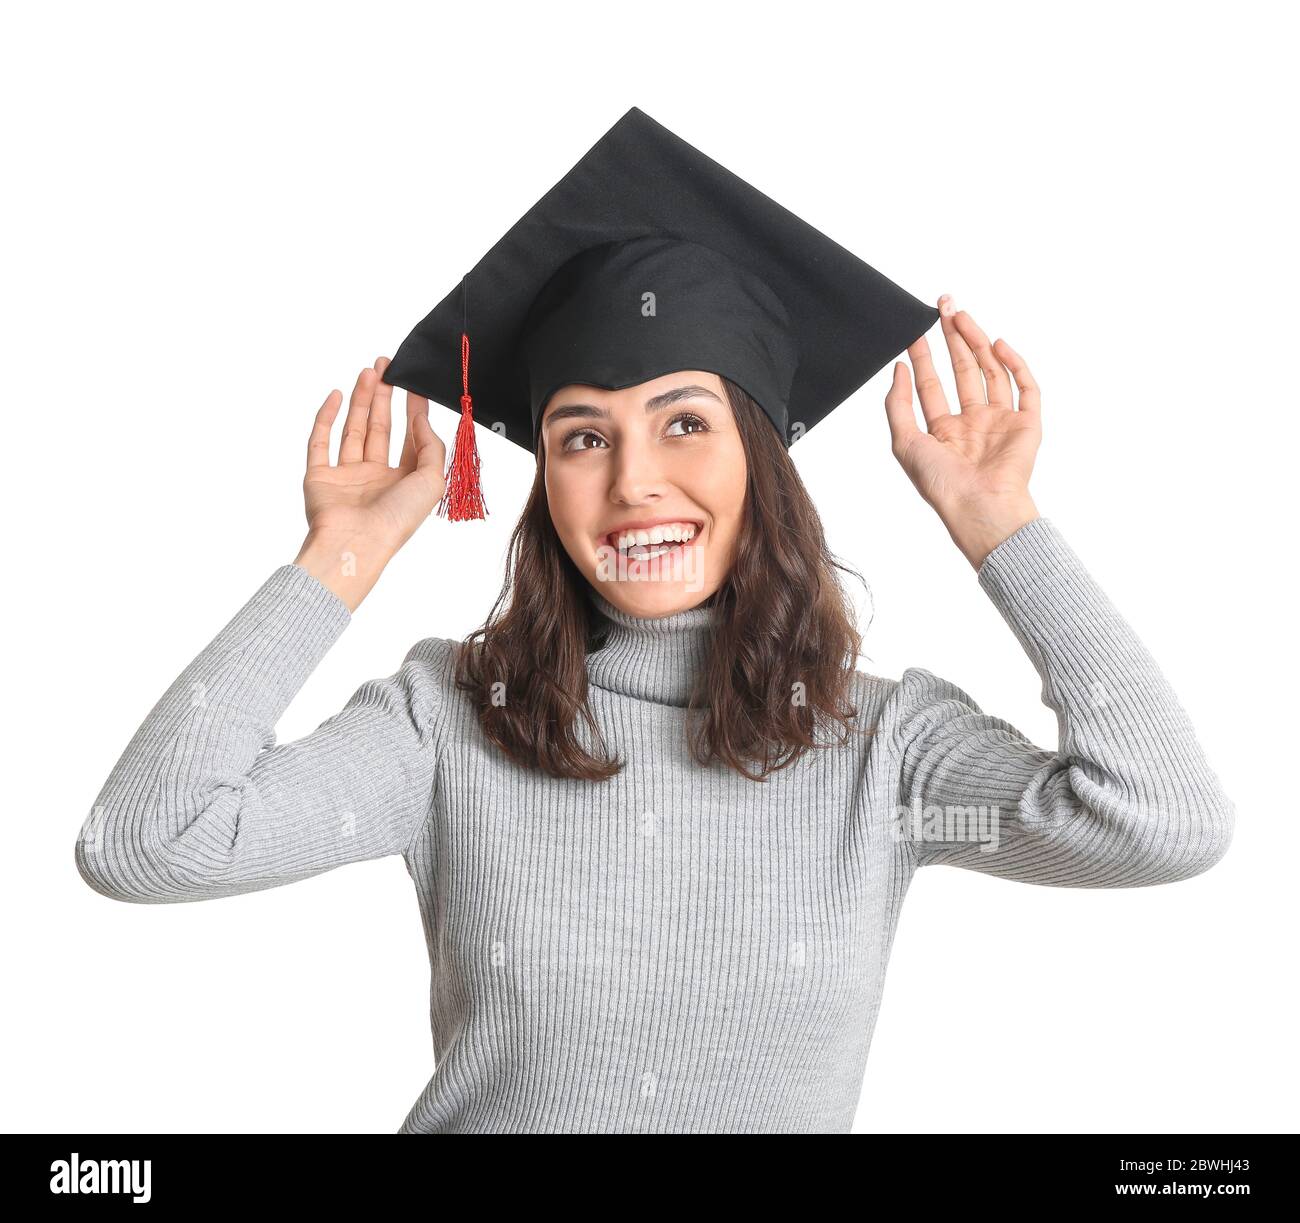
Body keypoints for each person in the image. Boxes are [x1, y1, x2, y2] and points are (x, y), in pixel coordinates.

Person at [75, 110, 1235, 1134]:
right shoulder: (450, 727)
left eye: (684, 422)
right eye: (582, 434)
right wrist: (344, 553)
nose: (632, 480)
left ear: (761, 460)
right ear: (546, 477)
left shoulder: (884, 761)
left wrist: (999, 522)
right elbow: (150, 842)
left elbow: (1158, 819)